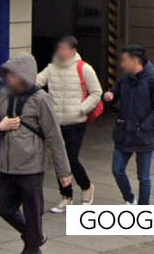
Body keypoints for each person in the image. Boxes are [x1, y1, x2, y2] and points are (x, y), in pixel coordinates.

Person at [0, 53, 72, 254]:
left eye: (13, 74)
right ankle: (35, 236)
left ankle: (32, 247)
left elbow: (54, 136)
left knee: (33, 214)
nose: (9, 78)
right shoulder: (3, 94)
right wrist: (0, 126)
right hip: (7, 166)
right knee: (3, 207)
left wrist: (64, 172)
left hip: (31, 168)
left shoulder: (41, 99)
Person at [36, 36, 102, 213]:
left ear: (73, 51)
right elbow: (36, 83)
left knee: (70, 159)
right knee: (59, 160)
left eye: (64, 48)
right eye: (59, 48)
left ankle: (86, 186)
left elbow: (96, 93)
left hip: (76, 122)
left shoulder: (84, 68)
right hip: (56, 123)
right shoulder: (50, 68)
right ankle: (66, 196)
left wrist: (82, 109)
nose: (61, 51)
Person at [103, 45, 154, 206]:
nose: (121, 64)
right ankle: (129, 199)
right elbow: (114, 94)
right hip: (124, 133)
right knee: (117, 170)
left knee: (143, 177)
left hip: (144, 136)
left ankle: (144, 207)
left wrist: (144, 126)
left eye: (124, 61)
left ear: (135, 61)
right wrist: (109, 96)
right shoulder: (125, 80)